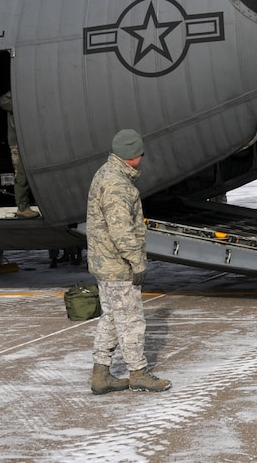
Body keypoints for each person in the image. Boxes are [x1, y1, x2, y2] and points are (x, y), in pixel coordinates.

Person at [86, 129, 171, 394]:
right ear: (133, 155)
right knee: (131, 320)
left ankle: (101, 374)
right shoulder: (118, 185)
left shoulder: (105, 174)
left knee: (111, 317)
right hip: (118, 266)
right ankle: (138, 373)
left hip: (105, 263)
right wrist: (137, 262)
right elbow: (121, 230)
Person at [0, 91, 39, 218]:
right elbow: (4, 102)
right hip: (18, 143)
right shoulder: (13, 95)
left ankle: (25, 205)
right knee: (21, 175)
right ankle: (22, 207)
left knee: (24, 175)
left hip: (26, 141)